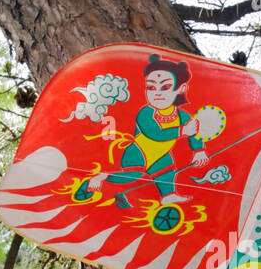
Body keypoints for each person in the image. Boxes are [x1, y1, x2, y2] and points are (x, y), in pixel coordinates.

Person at [77, 55, 210, 207]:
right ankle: (101, 177)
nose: (157, 93)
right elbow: (154, 133)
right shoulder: (146, 112)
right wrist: (181, 131)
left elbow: (194, 133)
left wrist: (199, 150)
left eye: (165, 87)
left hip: (160, 155)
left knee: (167, 172)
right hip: (138, 152)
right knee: (132, 176)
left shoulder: (183, 116)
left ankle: (168, 195)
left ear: (181, 89)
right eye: (151, 88)